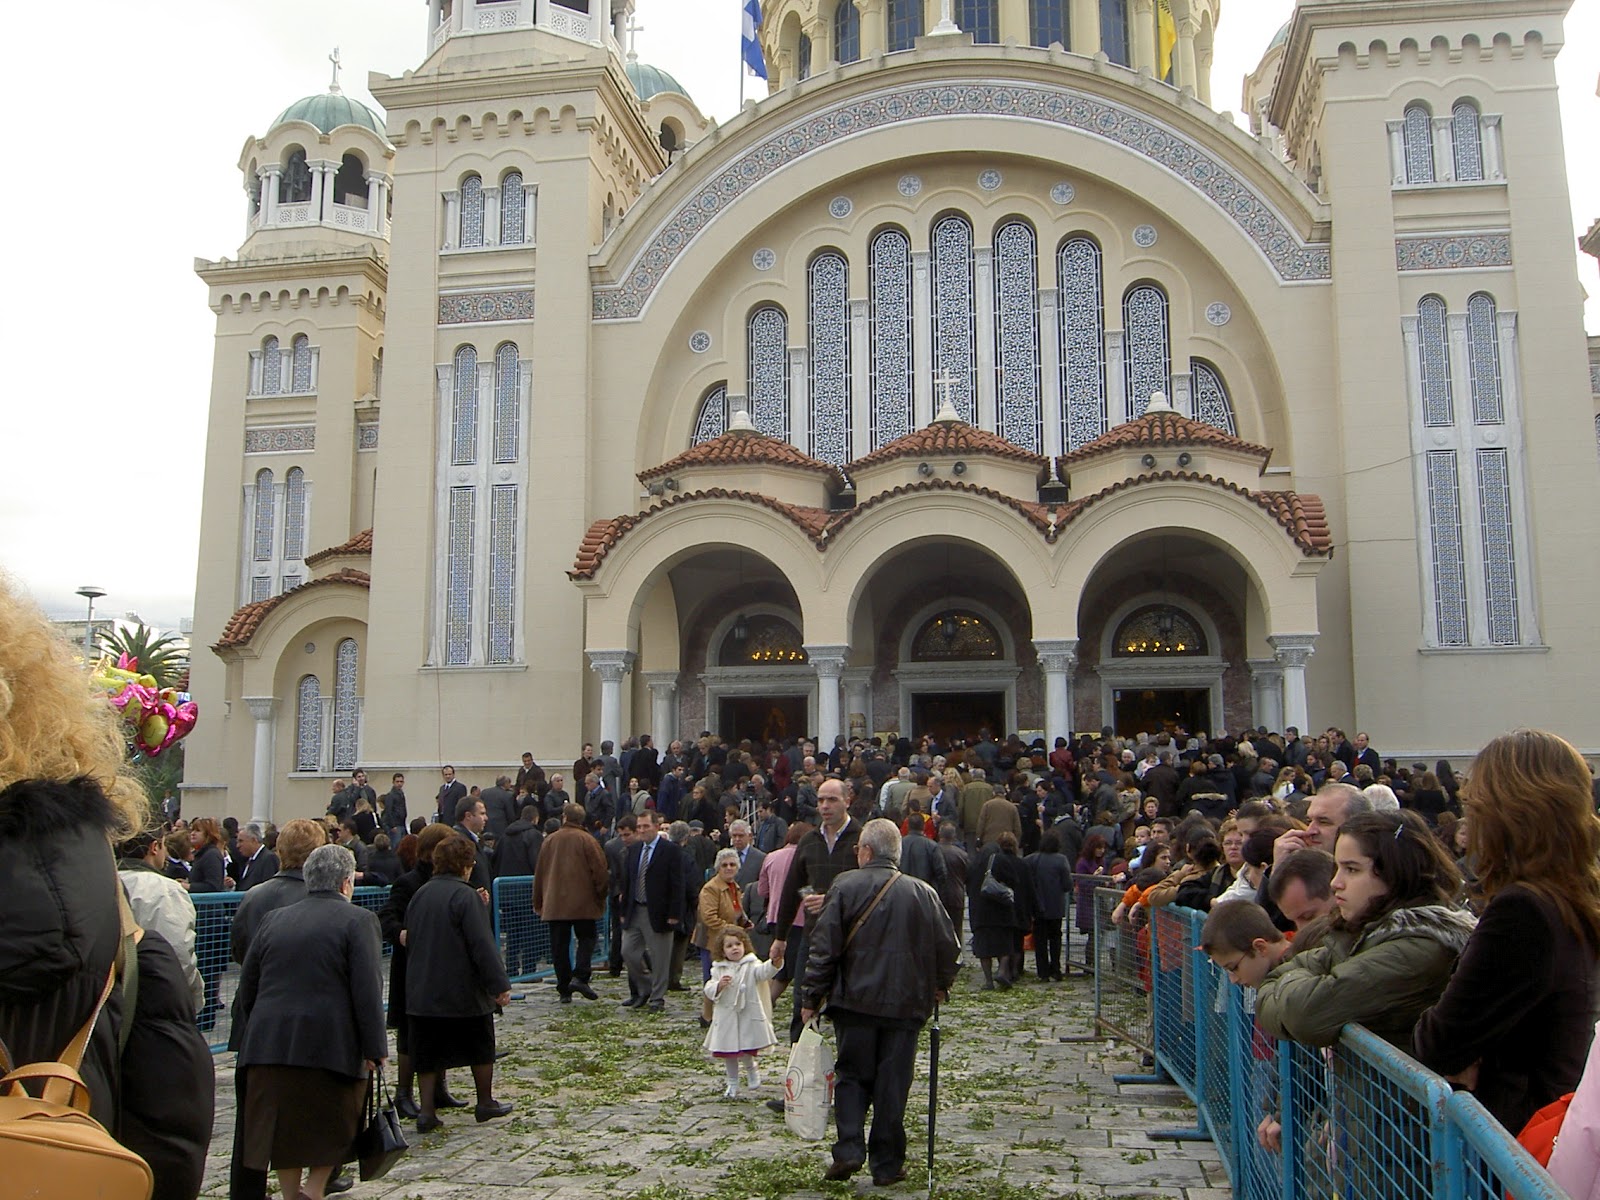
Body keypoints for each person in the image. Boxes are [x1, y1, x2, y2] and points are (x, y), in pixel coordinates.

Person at [1412, 730, 1600, 1134]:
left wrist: (1474, 1051)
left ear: (1507, 815)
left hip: (1514, 1138)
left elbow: (1439, 1043)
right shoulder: (1573, 896)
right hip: (1548, 1129)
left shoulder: (1523, 911)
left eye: (1475, 808)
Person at [798, 819, 961, 1187]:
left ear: (867, 851)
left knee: (852, 1076)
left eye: (858, 849)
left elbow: (823, 947)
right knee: (893, 1082)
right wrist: (940, 985)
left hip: (854, 1002)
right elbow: (949, 948)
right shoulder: (923, 893)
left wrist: (811, 995)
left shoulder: (844, 886)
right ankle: (887, 1164)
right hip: (906, 1005)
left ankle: (850, 1149)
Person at [236, 844, 386, 1200]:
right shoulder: (358, 920)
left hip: (269, 1041)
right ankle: (314, 1188)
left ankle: (291, 1193)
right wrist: (375, 1048)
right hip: (331, 1044)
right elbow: (367, 989)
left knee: (281, 1125)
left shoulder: (275, 919)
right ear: (346, 882)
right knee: (335, 1122)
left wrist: (256, 1025)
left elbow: (248, 984)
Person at [1256, 810, 1475, 1052]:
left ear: (1394, 871)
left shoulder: (1417, 948)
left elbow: (1306, 1015)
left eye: (1352, 869)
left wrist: (1288, 985)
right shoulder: (1361, 933)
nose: (1335, 883)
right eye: (1337, 868)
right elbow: (1274, 978)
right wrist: (1293, 984)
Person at [225, 816, 328, 1200]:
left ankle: (246, 1188)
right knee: (306, 1111)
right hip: (305, 1018)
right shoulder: (319, 900)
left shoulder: (254, 896)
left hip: (256, 1018)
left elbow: (240, 951)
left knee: (251, 1117)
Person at [404, 835, 514, 1131]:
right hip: (462, 988)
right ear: (465, 865)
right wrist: (499, 985)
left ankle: (426, 1110)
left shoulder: (421, 894)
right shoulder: (465, 896)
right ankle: (485, 1101)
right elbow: (482, 944)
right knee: (480, 1044)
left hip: (423, 988)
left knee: (426, 1052)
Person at [378, 823, 467, 1120]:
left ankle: (439, 1089)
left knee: (439, 1029)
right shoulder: (408, 882)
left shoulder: (454, 880)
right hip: (412, 967)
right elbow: (387, 917)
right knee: (409, 1033)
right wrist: (401, 933)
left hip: (440, 967)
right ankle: (404, 1093)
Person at [771, 777, 861, 1044]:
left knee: (849, 1005)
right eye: (821, 800)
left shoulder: (862, 837)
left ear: (847, 800)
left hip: (852, 937)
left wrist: (830, 901)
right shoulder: (809, 840)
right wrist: (781, 936)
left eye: (831, 799)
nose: (825, 806)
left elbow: (873, 887)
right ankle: (800, 1065)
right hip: (813, 935)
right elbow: (794, 888)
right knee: (803, 1001)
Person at [115, 831, 204, 1011]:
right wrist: (193, 996)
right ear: (154, 847)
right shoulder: (165, 889)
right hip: (153, 999)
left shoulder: (102, 881)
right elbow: (178, 954)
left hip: (108, 1000)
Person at [531, 802, 609, 1003]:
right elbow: (600, 871)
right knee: (587, 938)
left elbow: (539, 873)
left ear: (565, 817)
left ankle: (564, 987)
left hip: (555, 902)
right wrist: (601, 895)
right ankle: (581, 976)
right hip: (584, 902)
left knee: (559, 946)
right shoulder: (587, 840)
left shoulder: (550, 841)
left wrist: (539, 900)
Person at [619, 808, 688, 1012]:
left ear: (656, 827)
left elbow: (678, 884)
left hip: (659, 911)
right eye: (639, 827)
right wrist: (624, 909)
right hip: (636, 909)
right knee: (628, 952)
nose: (641, 830)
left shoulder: (670, 850)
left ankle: (657, 997)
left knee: (660, 958)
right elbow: (628, 882)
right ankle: (646, 986)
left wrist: (675, 913)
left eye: (645, 826)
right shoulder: (633, 850)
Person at [702, 927, 779, 1098]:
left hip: (746, 1013)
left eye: (738, 944)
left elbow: (763, 973)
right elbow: (708, 988)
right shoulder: (718, 969)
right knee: (729, 1052)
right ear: (722, 950)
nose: (735, 948)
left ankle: (752, 1071)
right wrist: (718, 986)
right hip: (727, 1017)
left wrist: (773, 963)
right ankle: (732, 1083)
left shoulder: (752, 965)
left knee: (746, 1048)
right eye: (729, 946)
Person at [968, 830, 1034, 989]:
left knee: (984, 949)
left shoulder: (975, 864)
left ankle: (988, 981)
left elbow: (968, 884)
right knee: (1004, 945)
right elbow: (1014, 881)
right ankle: (1003, 971)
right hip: (1001, 909)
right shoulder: (1002, 861)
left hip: (981, 912)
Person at [694, 848, 751, 1026]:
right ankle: (707, 1016)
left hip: (729, 940)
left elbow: (736, 910)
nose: (728, 868)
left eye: (732, 865)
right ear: (718, 867)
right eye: (724, 865)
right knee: (713, 978)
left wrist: (744, 922)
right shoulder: (711, 888)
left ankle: (722, 1013)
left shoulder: (735, 887)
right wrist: (732, 930)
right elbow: (708, 917)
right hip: (712, 941)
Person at [1026, 828, 1072, 981]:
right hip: (1056, 905)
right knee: (1055, 938)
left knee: (1040, 940)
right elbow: (1067, 884)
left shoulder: (1032, 859)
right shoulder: (1061, 860)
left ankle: (1043, 972)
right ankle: (1056, 969)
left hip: (1038, 905)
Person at [229, 822, 279, 891]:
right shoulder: (248, 860)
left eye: (241, 841)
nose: (237, 846)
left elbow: (268, 889)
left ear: (253, 840)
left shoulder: (268, 858)